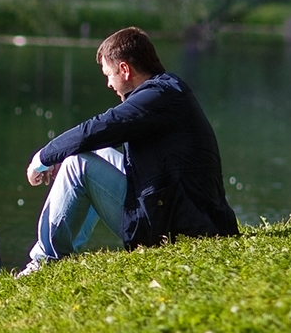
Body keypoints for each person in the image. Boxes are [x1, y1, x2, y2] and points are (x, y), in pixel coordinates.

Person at [24, 27, 237, 266]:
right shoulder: (167, 89)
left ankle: (44, 261)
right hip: (183, 212)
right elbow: (100, 136)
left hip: (176, 228)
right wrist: (62, 154)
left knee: (77, 164)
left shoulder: (155, 98)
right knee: (92, 153)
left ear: (125, 69)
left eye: (108, 75)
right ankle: (63, 249)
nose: (107, 84)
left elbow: (100, 126)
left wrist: (43, 157)